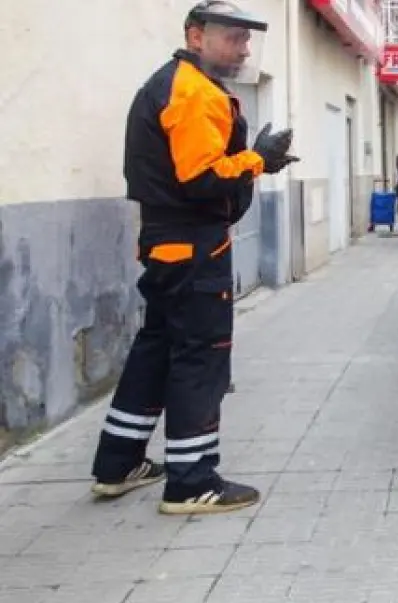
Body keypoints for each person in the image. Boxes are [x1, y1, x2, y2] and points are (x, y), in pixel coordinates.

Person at [89, 0, 297, 515]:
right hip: (195, 250)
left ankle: (117, 464)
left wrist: (254, 160)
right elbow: (201, 179)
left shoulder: (176, 84)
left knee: (156, 350)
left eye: (247, 40)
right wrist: (260, 160)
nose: (242, 48)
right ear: (196, 36)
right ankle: (192, 482)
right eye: (232, 37)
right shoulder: (191, 91)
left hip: (168, 246)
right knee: (200, 358)